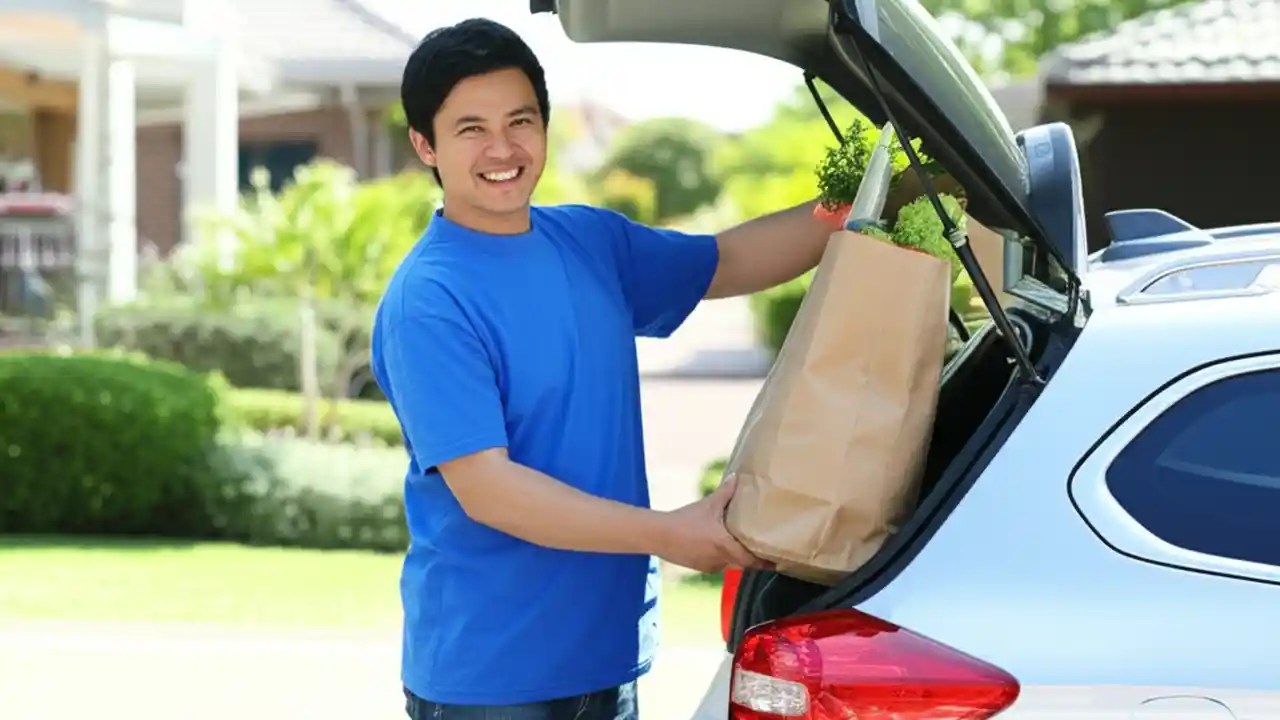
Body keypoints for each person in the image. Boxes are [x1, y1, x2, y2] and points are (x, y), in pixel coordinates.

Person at [372, 17, 837, 720]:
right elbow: (491, 491)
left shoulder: (590, 242)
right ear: (425, 145)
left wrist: (863, 202)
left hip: (606, 658)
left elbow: (730, 259)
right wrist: (668, 532)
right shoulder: (429, 299)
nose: (502, 149)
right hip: (492, 680)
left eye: (520, 121)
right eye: (471, 129)